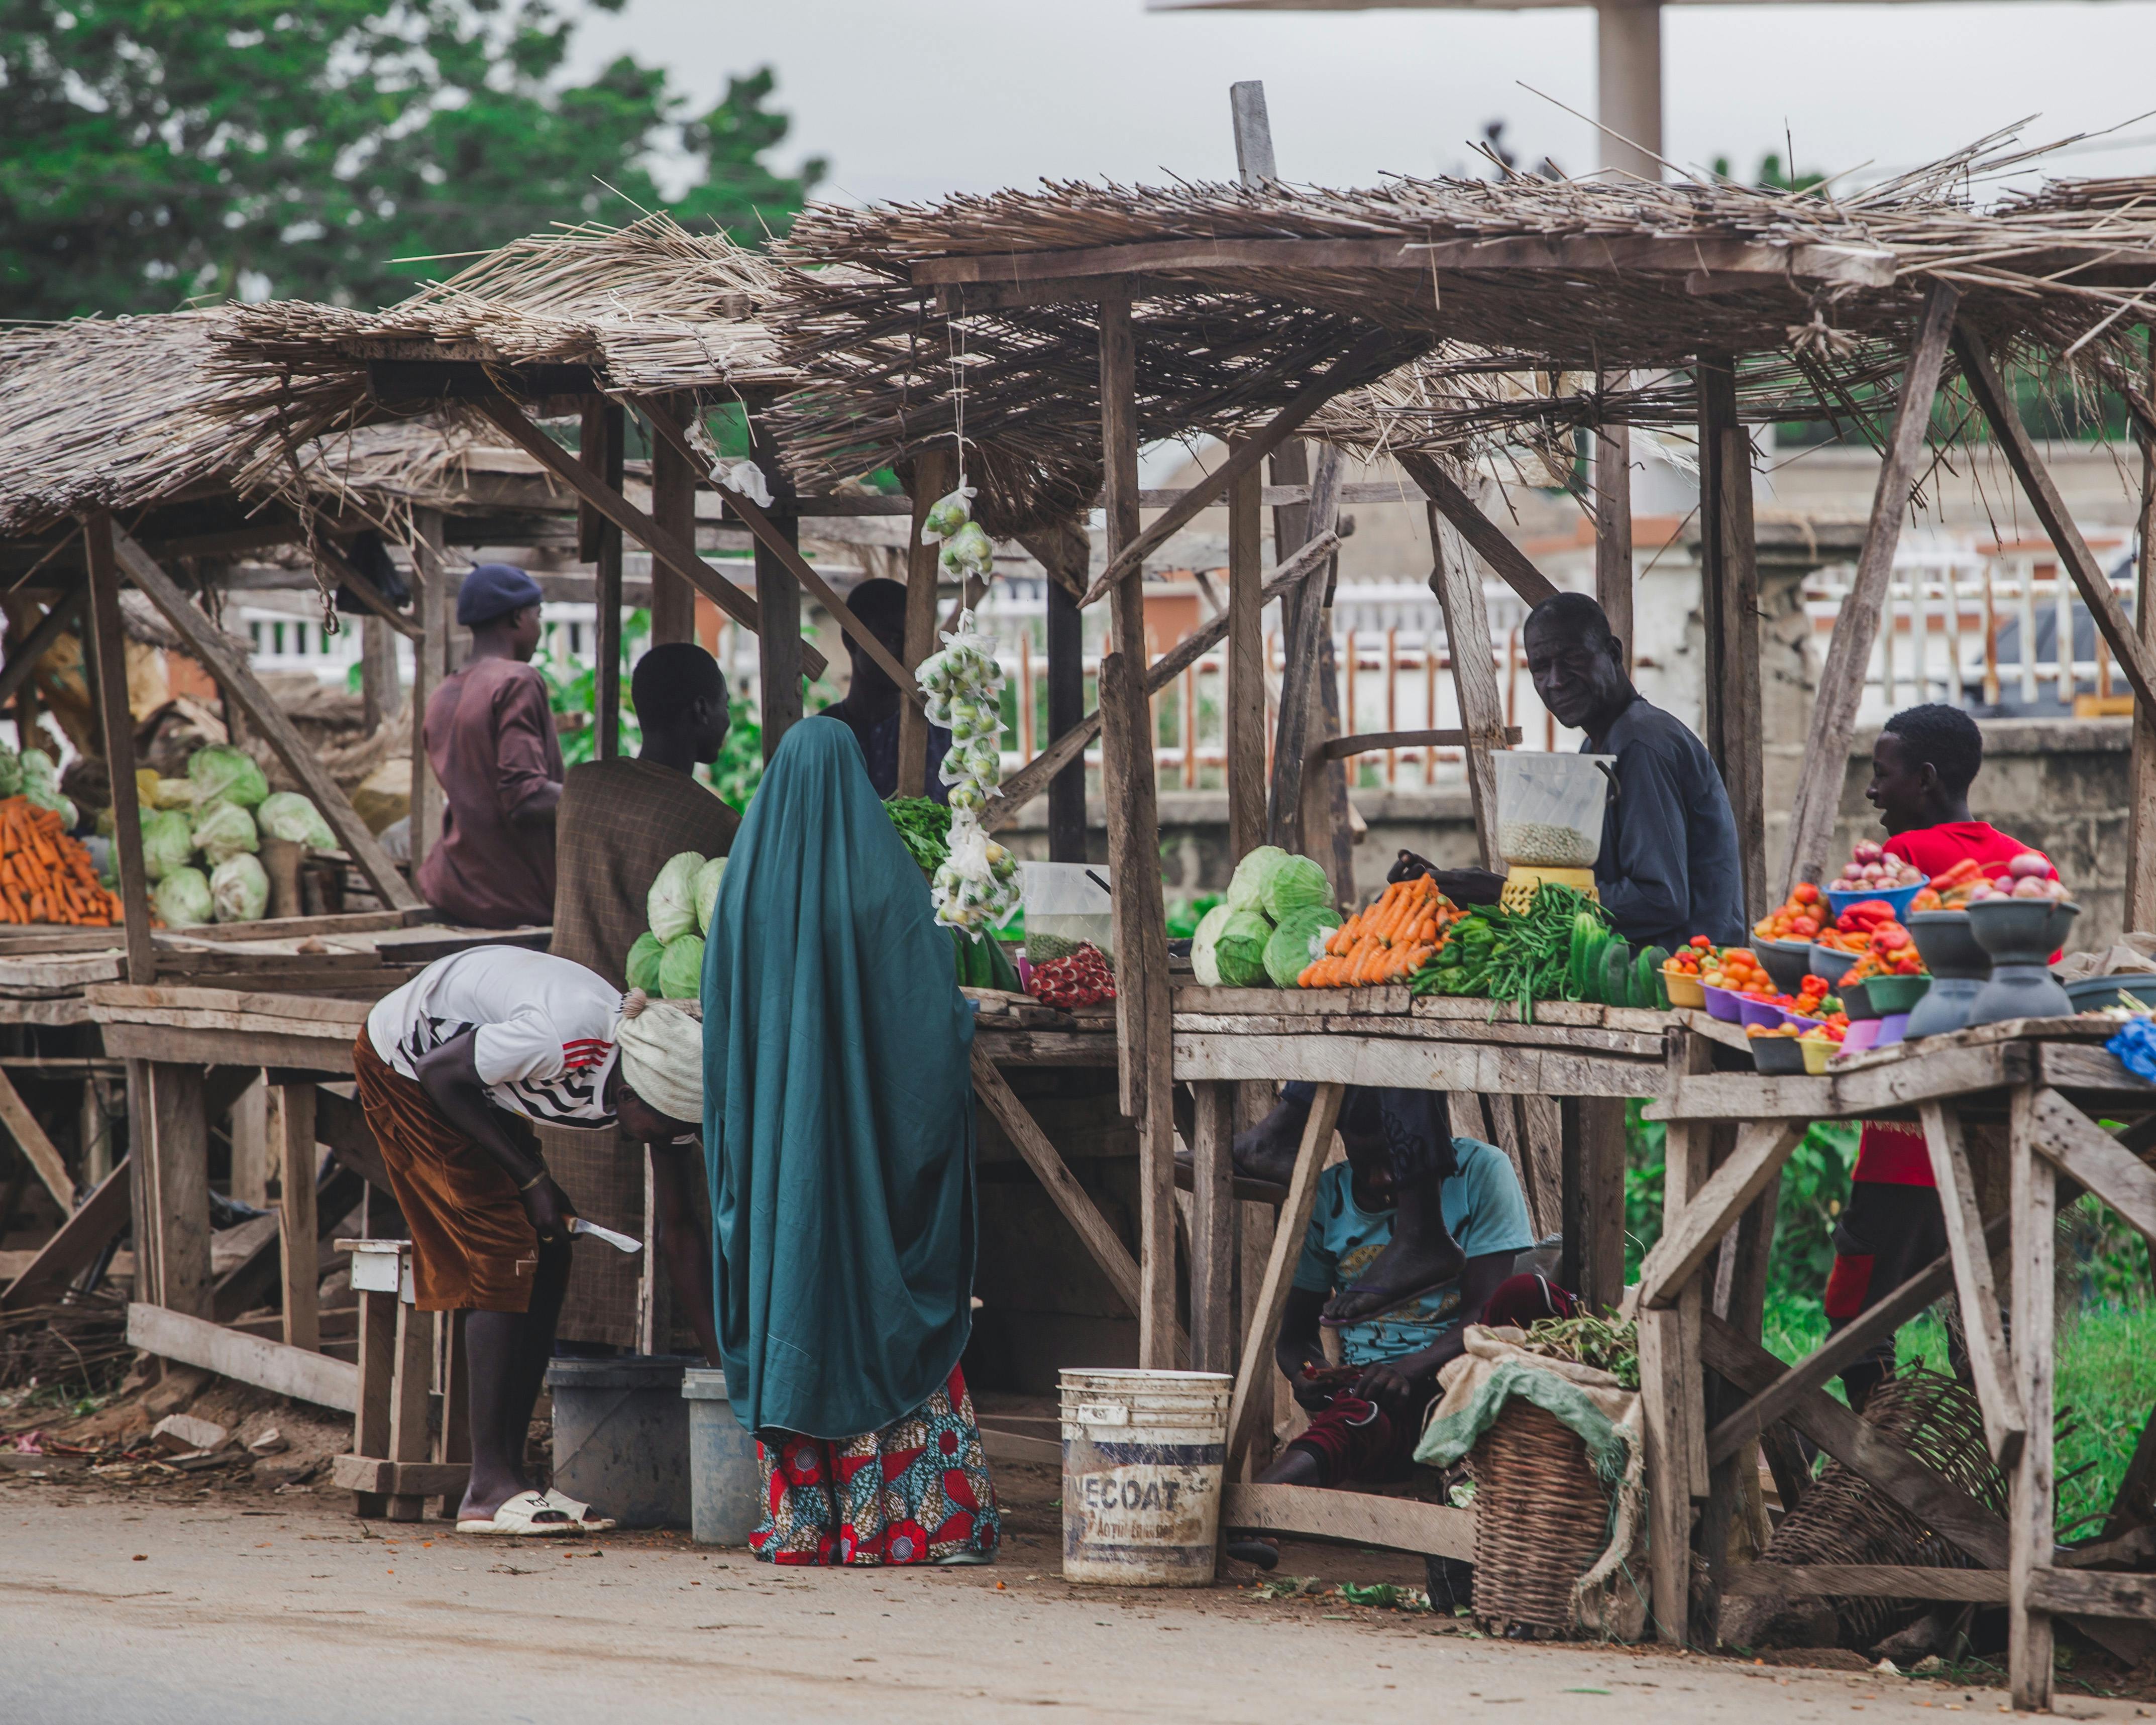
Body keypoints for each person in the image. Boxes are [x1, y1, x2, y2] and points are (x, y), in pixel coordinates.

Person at [702, 716, 999, 1567]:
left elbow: (721, 1041)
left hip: (777, 1167)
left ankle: (804, 1522)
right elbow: (923, 1020)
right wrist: (963, 1014)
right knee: (873, 1300)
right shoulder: (883, 882)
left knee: (791, 1294)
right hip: (861, 1171)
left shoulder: (745, 889)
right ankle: (904, 1524)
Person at [354, 945, 705, 1534]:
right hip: (410, 1065)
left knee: (551, 1245)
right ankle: (487, 1486)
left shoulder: (662, 1082)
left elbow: (681, 1231)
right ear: (627, 1097)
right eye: (669, 1128)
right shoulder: (563, 1042)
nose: (672, 1139)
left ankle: (514, 1478)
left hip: (478, 1082)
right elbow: (444, 1072)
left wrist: (723, 1376)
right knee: (502, 1250)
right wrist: (531, 1177)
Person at [1826, 702, 2055, 1408]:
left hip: (1907, 1141)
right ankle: (1995, 1485)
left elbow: (1856, 973)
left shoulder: (1902, 865)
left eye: (1881, 774)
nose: (1872, 793)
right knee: (1989, 1325)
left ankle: (1880, 1471)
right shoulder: (2032, 868)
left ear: (1924, 780)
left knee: (1856, 1318)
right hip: (2002, 1140)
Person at [1224, 1091, 1536, 1569]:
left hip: (1456, 1388)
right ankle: (1267, 1506)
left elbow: (1488, 1315)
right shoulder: (1329, 1194)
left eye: (1393, 1162)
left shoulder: (1480, 1172)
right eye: (1365, 1161)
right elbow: (1295, 1336)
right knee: (1364, 1408)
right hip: (1372, 1396)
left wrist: (1410, 1369)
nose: (1381, 1179)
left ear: (1420, 1153)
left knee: (1523, 1303)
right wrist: (1308, 1371)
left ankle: (1263, 1503)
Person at [543, 643, 739, 1362]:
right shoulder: (713, 825)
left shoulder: (581, 788)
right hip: (651, 1061)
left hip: (560, 1038)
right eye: (723, 705)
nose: (728, 718)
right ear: (698, 712)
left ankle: (579, 1377)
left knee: (576, 1220)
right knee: (653, 1222)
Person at [1405, 592, 1748, 953]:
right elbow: (1591, 885)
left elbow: (1659, 900)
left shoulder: (1641, 745)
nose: (1556, 681)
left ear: (1613, 654)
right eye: (1541, 667)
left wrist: (1512, 896)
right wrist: (1468, 888)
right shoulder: (1599, 747)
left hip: (1682, 973)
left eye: (1573, 659)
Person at [416, 563, 562, 928]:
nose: (540, 629)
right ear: (518, 618)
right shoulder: (517, 680)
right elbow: (524, 795)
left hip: (455, 888)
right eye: (538, 616)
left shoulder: (442, 694)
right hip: (514, 897)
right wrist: (599, 798)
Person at [820, 577, 952, 800]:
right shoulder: (823, 738)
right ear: (852, 641)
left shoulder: (942, 734)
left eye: (915, 642)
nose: (907, 654)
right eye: (893, 639)